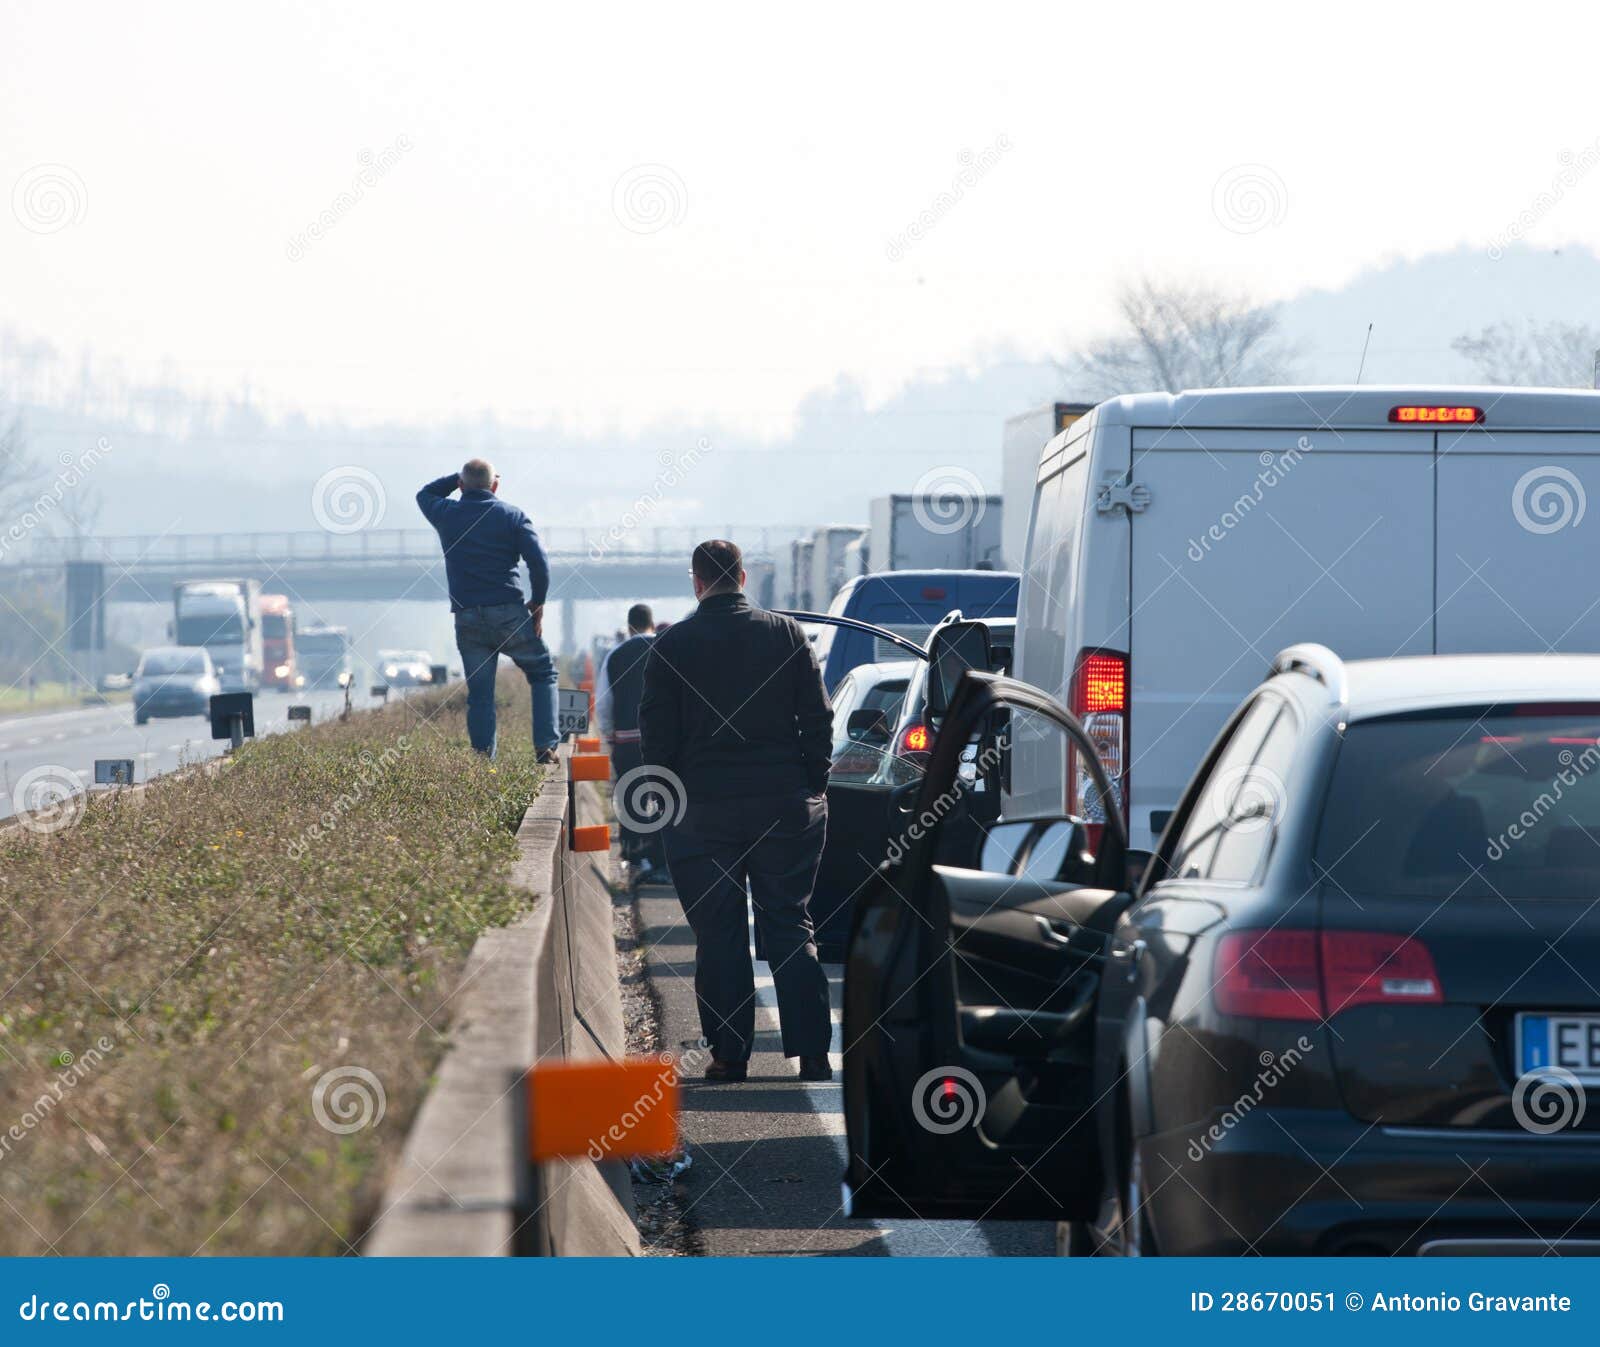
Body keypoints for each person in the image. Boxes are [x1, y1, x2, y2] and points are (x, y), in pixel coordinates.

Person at [639, 539, 834, 1082]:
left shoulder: (672, 646)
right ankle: (813, 1053)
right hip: (784, 805)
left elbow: (657, 738)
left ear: (696, 582)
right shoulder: (787, 634)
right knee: (790, 922)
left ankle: (730, 1056)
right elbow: (817, 719)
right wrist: (811, 784)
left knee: (721, 933)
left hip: (703, 812)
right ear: (743, 577)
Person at [415, 459, 558, 762]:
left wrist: (457, 479)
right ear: (495, 485)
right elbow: (539, 564)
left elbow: (424, 494)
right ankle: (545, 747)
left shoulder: (446, 513)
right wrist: (538, 602)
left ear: (462, 485)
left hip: (467, 617)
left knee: (480, 696)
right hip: (508, 612)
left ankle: (484, 764)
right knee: (543, 672)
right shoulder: (513, 516)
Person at [596, 602, 667, 883]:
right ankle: (662, 859)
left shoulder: (616, 655)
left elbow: (603, 705)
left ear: (629, 627)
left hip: (626, 742)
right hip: (664, 742)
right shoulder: (668, 647)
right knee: (665, 800)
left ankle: (635, 858)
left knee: (631, 800)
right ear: (652, 623)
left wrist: (609, 735)